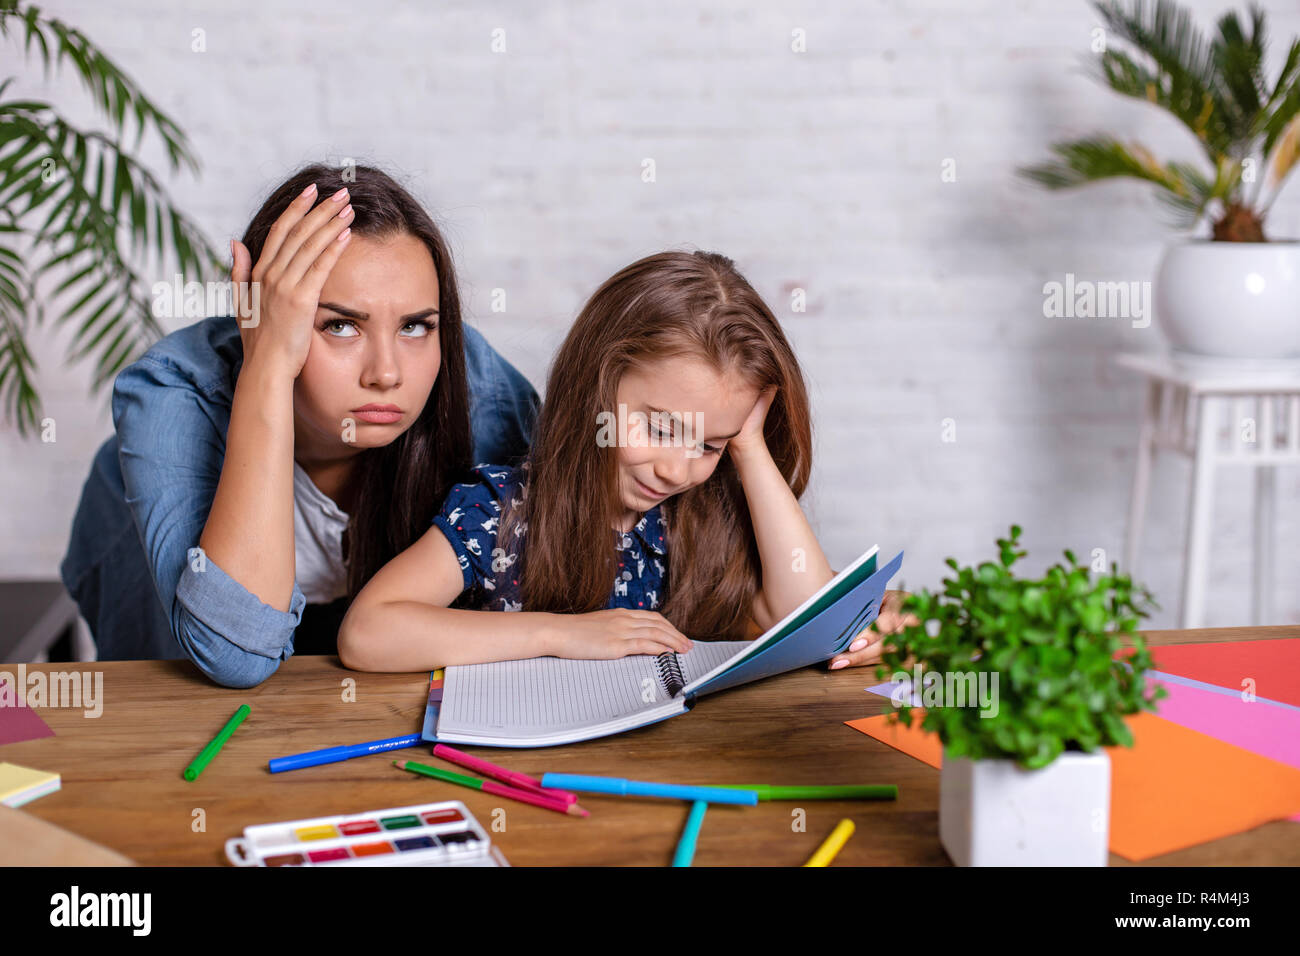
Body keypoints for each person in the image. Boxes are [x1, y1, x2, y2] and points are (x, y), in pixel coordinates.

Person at [60, 163, 539, 687]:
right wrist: (266, 367)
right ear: (261, 315)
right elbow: (231, 658)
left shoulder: (488, 400)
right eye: (339, 325)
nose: (386, 373)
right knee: (182, 714)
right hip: (159, 572)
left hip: (363, 621)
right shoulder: (174, 393)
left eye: (415, 326)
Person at [337, 249, 912, 672]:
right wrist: (559, 635)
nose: (677, 469)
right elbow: (367, 632)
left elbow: (807, 619)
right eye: (661, 428)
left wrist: (750, 447)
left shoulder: (703, 519)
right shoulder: (502, 510)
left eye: (709, 445)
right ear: (596, 389)